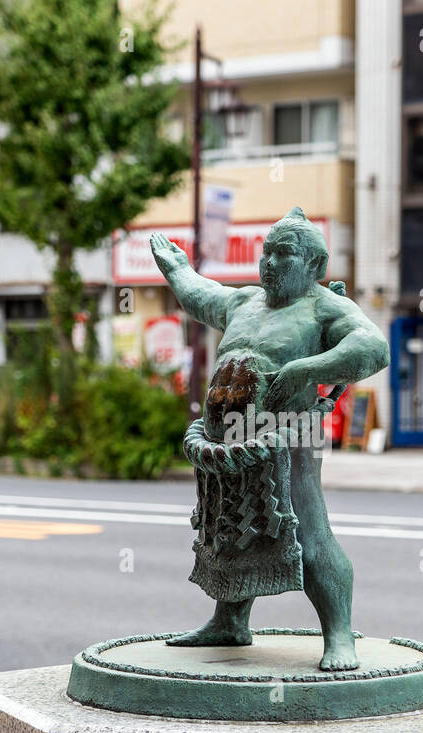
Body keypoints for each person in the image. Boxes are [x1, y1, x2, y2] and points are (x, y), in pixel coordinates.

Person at [149, 209, 388, 671]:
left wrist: (306, 368)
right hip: (227, 443)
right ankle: (229, 621)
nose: (271, 263)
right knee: (230, 532)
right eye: (267, 253)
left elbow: (372, 347)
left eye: (285, 254)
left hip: (289, 438)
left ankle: (339, 635)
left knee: (307, 529)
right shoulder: (245, 303)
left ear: (315, 265)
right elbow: (202, 296)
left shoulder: (324, 307)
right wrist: (177, 269)